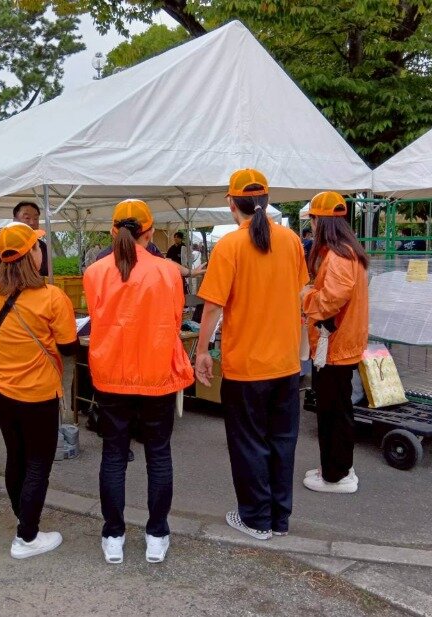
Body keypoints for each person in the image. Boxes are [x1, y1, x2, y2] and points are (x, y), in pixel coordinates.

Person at [195, 169, 309, 541]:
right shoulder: (291, 240)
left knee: (249, 445)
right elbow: (300, 292)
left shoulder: (229, 246)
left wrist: (202, 351)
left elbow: (213, 307)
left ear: (232, 203)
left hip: (246, 366)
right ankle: (279, 518)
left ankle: (257, 519)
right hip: (285, 364)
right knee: (282, 443)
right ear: (266, 199)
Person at [84, 199, 194, 565]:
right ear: (150, 232)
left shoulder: (95, 272)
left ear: (112, 231)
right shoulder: (168, 272)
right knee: (158, 454)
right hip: (156, 373)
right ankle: (156, 534)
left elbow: (97, 316)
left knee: (113, 456)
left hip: (110, 374)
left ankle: (113, 535)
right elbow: (176, 318)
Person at [0, 222, 78, 559]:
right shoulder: (51, 296)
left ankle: (23, 516)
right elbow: (68, 346)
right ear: (31, 254)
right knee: (38, 463)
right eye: (37, 246)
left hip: (1, 393)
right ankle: (27, 536)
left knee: (16, 455)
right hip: (38, 394)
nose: (40, 251)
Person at [301, 191, 369, 494]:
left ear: (321, 222)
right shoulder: (348, 251)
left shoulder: (338, 256)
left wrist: (306, 296)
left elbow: (330, 300)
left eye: (313, 220)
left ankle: (335, 475)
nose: (312, 226)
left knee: (333, 413)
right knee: (337, 410)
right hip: (340, 344)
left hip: (335, 346)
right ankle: (339, 467)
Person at [0, 202, 50, 278]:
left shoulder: (43, 246)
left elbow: (46, 273)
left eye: (36, 218)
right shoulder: (3, 244)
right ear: (15, 220)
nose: (32, 222)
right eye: (27, 218)